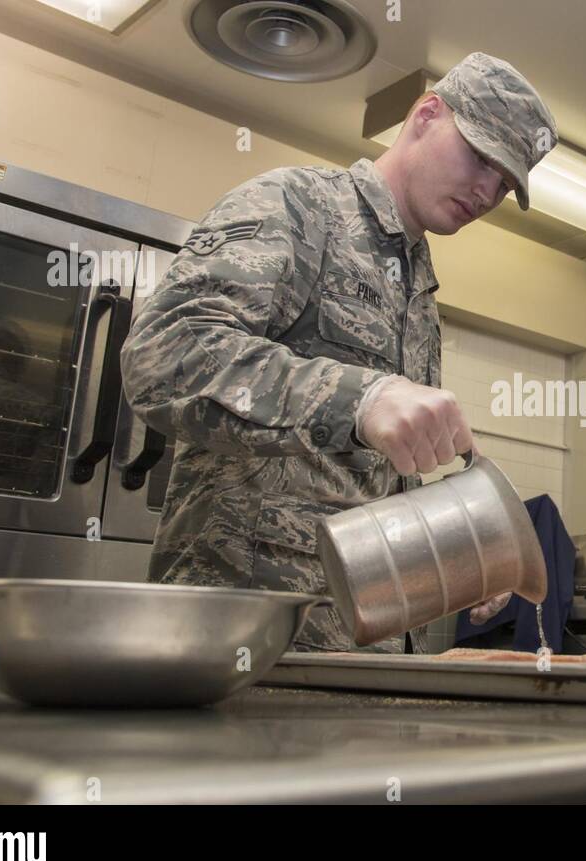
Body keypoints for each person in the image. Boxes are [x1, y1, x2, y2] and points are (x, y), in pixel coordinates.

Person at [120, 52, 558, 654]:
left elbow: (363, 478)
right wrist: (362, 396)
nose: (487, 190)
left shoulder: (421, 295)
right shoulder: (296, 206)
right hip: (241, 638)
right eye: (481, 156)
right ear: (426, 115)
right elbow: (162, 355)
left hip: (357, 647)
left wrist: (465, 554)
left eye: (506, 183)